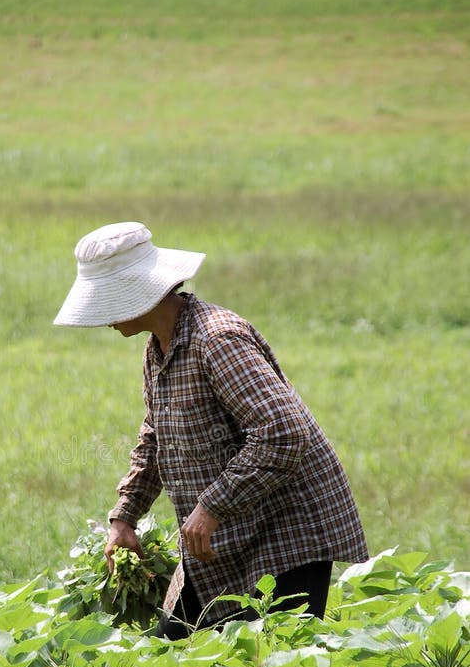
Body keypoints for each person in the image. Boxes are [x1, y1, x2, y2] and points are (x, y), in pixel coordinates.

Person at [54, 221, 369, 639]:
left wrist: (211, 507)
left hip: (287, 531)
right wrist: (124, 517)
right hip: (229, 533)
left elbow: (283, 432)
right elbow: (156, 437)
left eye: (105, 302)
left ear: (137, 293)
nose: (102, 319)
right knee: (173, 647)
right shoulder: (159, 348)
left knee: (276, 662)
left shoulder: (217, 340)